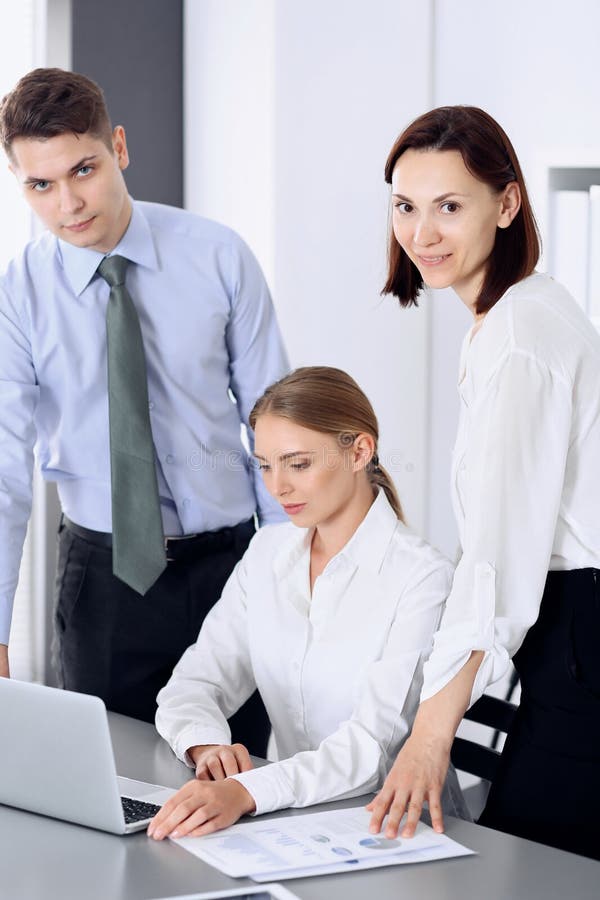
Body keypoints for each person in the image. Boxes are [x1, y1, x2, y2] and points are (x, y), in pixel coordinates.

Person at [0, 68, 289, 753]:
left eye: (84, 169)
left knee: (238, 785)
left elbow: (277, 425)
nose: (68, 202)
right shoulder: (19, 293)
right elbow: (5, 469)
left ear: (119, 148)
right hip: (105, 580)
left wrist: (288, 578)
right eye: (40, 185)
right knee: (113, 793)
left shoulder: (219, 255)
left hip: (231, 569)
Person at [367, 105, 600, 860]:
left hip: (581, 629)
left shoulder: (519, 334)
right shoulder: (518, 315)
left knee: (532, 866)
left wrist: (431, 734)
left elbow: (498, 559)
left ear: (506, 204)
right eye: (406, 206)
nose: (422, 233)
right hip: (566, 629)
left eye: (449, 207)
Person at [147, 366, 466, 840]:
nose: (277, 487)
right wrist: (206, 743)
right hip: (294, 823)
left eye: (297, 464)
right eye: (265, 465)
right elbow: (194, 683)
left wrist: (247, 791)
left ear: (360, 451)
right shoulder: (267, 553)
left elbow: (369, 749)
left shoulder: (423, 577)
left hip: (398, 829)